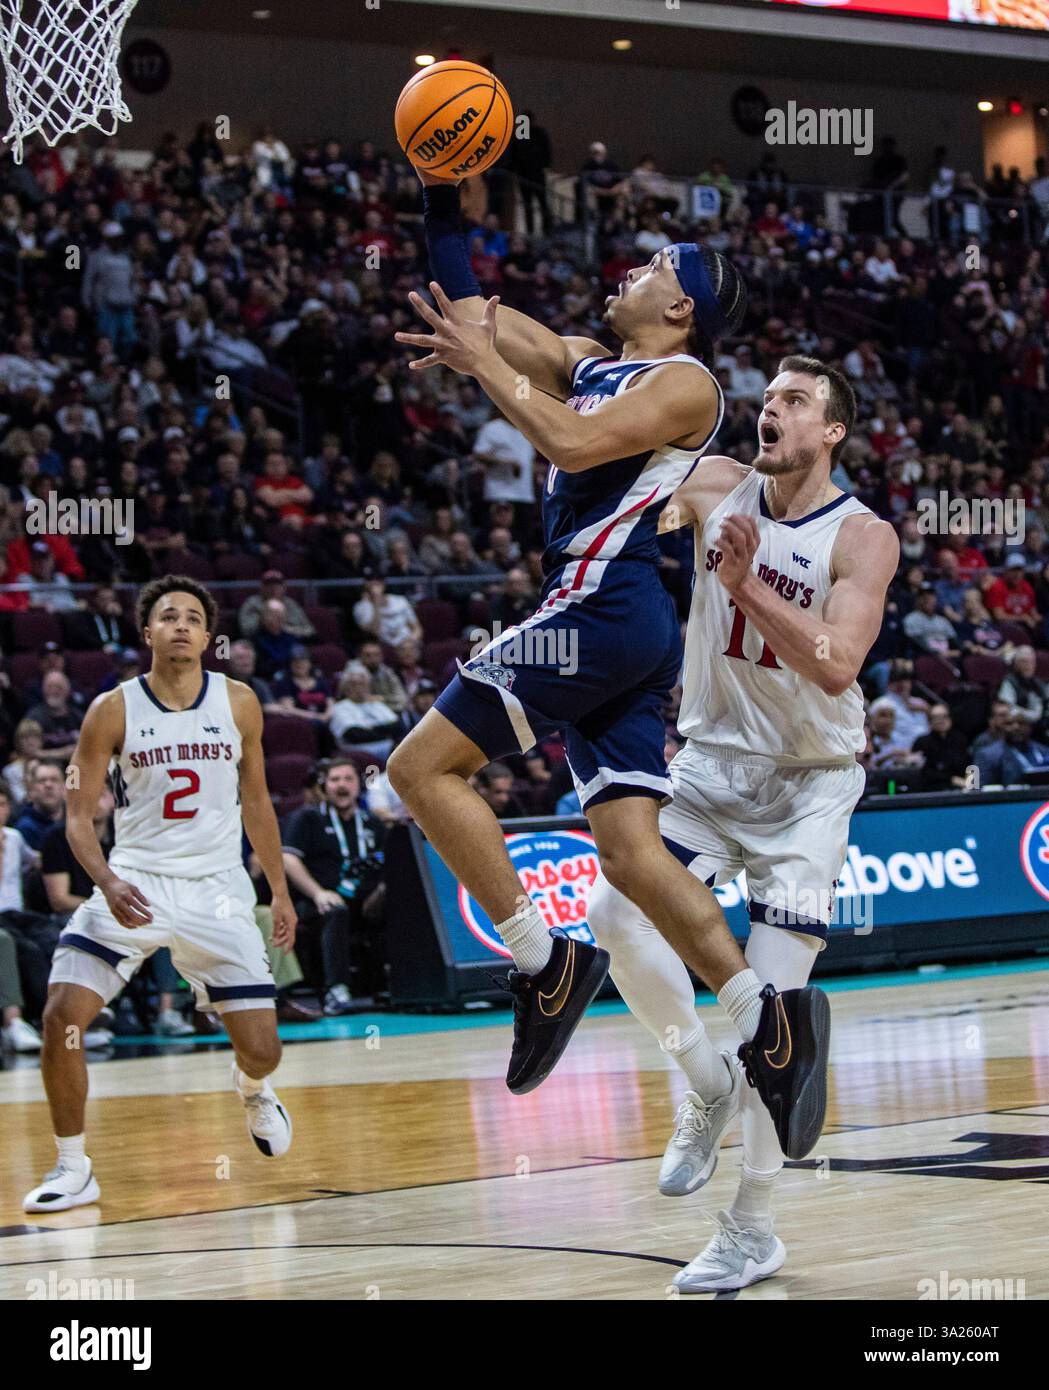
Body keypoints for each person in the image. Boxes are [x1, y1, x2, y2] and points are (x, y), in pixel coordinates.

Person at [388, 172, 833, 1158]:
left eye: (649, 267)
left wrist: (484, 367)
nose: (625, 272)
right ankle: (769, 1023)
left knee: (418, 769)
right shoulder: (588, 357)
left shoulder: (685, 384)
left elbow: (568, 437)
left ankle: (541, 962)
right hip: (619, 628)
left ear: (678, 307)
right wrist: (438, 218)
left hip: (601, 605)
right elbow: (478, 320)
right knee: (631, 855)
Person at [585, 357, 898, 1291]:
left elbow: (838, 665)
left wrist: (747, 583)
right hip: (711, 763)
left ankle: (751, 1227)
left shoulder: (863, 536)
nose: (772, 412)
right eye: (766, 399)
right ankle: (703, 1078)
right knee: (611, 915)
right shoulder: (714, 483)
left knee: (781, 1013)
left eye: (794, 402)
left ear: (831, 430)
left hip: (810, 783)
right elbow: (604, 460)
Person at [22, 574, 298, 1213]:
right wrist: (109, 882)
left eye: (193, 618)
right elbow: (76, 819)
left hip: (219, 890)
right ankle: (72, 1168)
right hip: (136, 881)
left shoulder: (240, 703)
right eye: (168, 616)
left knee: (264, 1049)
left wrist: (278, 891)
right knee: (61, 1016)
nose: (181, 625)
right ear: (146, 632)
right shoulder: (110, 710)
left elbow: (256, 800)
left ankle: (253, 1088)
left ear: (207, 635)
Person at [281, 759, 386, 1012]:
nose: (342, 785)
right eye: (335, 780)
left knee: (401, 906)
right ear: (324, 787)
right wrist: (318, 893)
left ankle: (400, 984)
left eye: (348, 779)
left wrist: (381, 892)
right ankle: (335, 990)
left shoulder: (372, 822)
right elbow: (288, 858)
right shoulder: (307, 818)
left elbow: (389, 865)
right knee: (335, 911)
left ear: (358, 785)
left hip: (366, 900)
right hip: (317, 901)